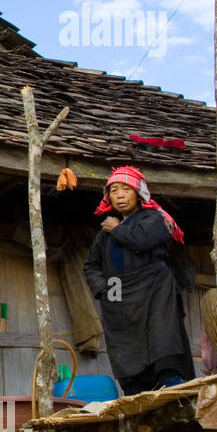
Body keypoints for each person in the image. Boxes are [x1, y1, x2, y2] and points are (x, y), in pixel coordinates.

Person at [84, 166, 194, 394]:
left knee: (160, 331)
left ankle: (168, 378)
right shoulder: (104, 233)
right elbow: (91, 265)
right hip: (118, 291)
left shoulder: (155, 218)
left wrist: (117, 229)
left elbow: (143, 241)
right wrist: (103, 290)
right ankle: (134, 387)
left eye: (126, 189)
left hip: (154, 287)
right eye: (114, 191)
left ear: (139, 193)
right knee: (123, 338)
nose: (120, 195)